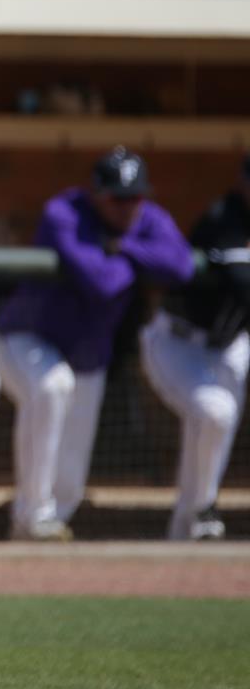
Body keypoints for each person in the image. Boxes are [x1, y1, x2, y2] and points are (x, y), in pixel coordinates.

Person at [0, 147, 193, 541]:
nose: (127, 207)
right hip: (24, 338)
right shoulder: (63, 213)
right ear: (97, 193)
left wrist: (124, 248)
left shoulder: (146, 219)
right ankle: (29, 517)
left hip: (87, 354)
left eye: (135, 197)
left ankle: (50, 527)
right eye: (117, 198)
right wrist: (140, 262)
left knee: (71, 476)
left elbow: (180, 265)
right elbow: (103, 282)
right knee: (51, 388)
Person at [139, 154, 250, 540]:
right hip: (179, 342)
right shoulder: (224, 219)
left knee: (211, 434)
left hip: (232, 344)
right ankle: (204, 507)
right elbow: (243, 286)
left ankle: (186, 535)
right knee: (214, 413)